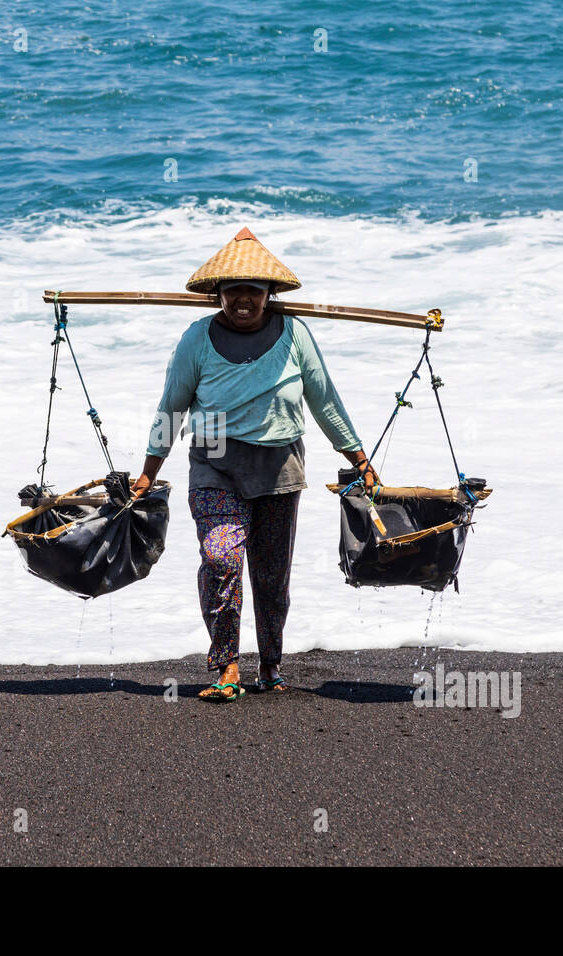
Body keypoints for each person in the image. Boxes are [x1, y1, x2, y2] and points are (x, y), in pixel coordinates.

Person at [131, 228, 379, 702]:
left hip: (279, 468)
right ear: (217, 294)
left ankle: (270, 664)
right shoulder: (197, 339)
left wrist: (359, 458)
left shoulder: (295, 336)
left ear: (270, 294)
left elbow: (325, 402)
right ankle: (225, 664)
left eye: (253, 290)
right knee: (221, 557)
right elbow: (172, 407)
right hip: (216, 465)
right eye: (232, 290)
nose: (242, 299)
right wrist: (149, 470)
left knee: (271, 576)